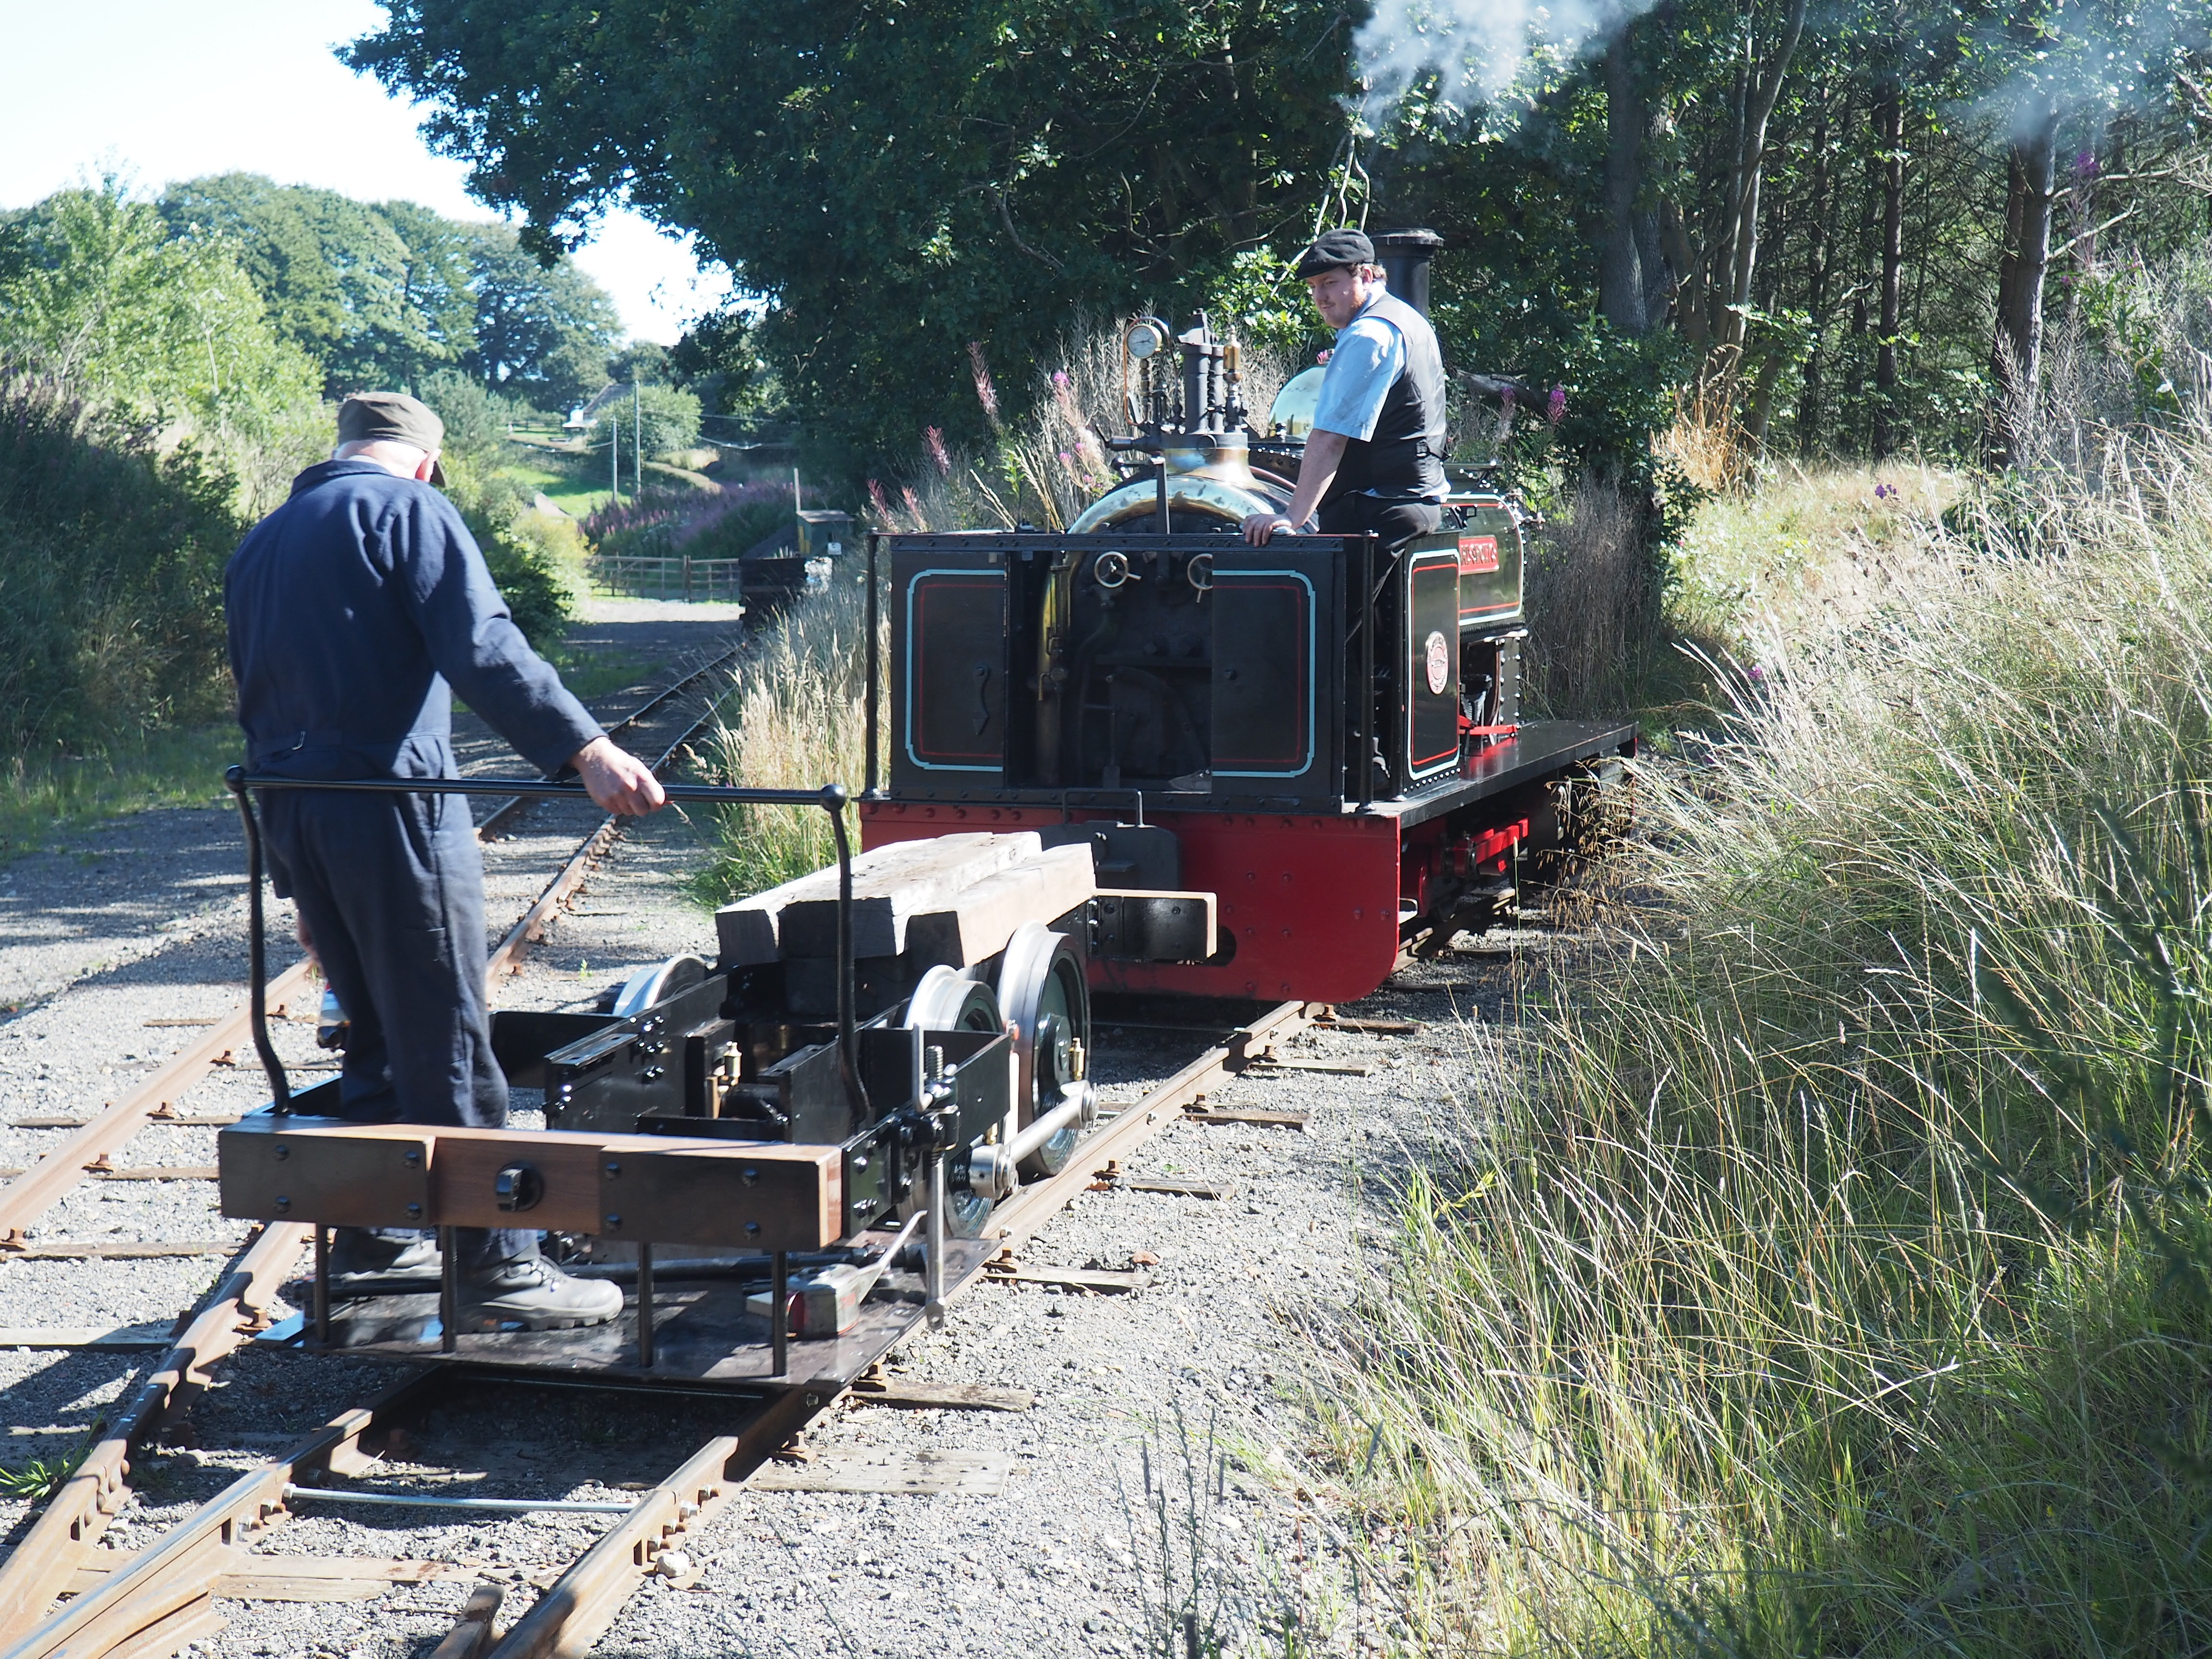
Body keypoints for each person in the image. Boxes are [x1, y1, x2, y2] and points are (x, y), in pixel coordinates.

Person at [225, 391, 667, 1331]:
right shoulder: (411, 512)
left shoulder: (261, 544)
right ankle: (499, 1259)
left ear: (344, 447)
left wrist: (297, 879)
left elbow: (259, 708)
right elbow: (483, 644)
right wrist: (587, 750)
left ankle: (385, 1246)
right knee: (451, 1042)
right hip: (394, 812)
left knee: (379, 1039)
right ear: (423, 461)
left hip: (301, 815)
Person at [1241, 228, 1447, 550]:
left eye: (1329, 282)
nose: (1319, 296)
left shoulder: (1369, 335)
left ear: (1365, 275)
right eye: (1313, 287)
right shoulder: (1407, 319)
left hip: (1376, 515)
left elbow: (1330, 437)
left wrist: (1293, 516)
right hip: (1412, 506)